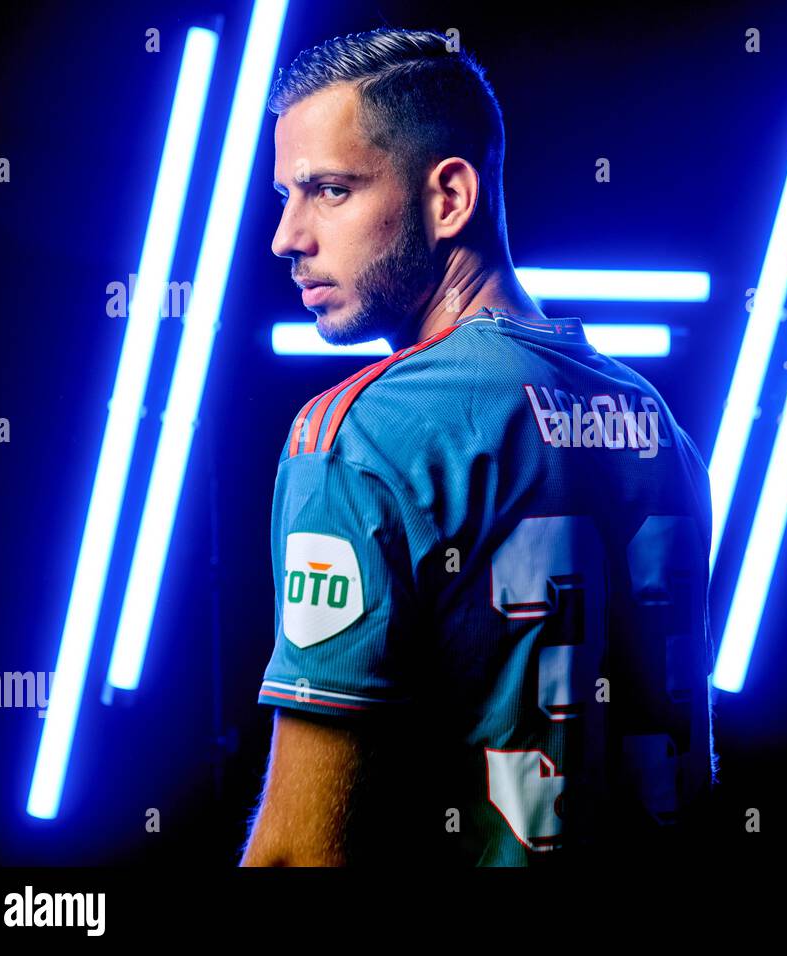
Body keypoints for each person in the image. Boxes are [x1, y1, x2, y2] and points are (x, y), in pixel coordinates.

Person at [240, 28, 717, 867]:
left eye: (328, 191)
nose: (287, 235)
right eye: (285, 195)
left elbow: (298, 854)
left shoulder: (357, 437)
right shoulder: (658, 425)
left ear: (449, 197)